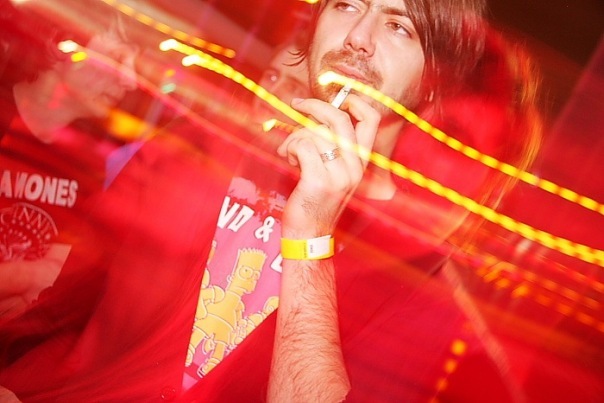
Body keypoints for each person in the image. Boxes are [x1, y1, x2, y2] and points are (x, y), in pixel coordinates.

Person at [0, 0, 543, 401]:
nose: (358, 38)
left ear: (434, 79)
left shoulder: (416, 274)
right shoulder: (201, 148)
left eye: (398, 26)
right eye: (346, 5)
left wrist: (311, 234)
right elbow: (63, 308)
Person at [0, 0, 139, 319]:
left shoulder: (92, 161)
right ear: (60, 45)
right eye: (118, 58)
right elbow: (42, 275)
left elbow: (56, 276)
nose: (130, 80)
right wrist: (29, 275)